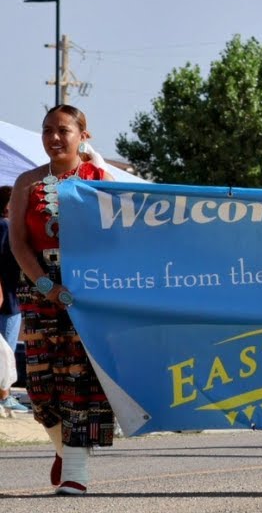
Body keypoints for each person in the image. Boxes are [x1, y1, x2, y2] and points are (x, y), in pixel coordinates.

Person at [7, 105, 116, 494]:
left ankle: (75, 472)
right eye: (47, 130)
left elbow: (116, 237)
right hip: (38, 292)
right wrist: (44, 285)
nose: (54, 137)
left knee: (79, 381)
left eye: (64, 130)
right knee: (38, 387)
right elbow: (18, 242)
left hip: (87, 294)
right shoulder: (27, 183)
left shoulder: (99, 179)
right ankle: (61, 447)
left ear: (82, 134)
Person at [0, 185, 31, 415]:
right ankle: (5, 396)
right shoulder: (6, 227)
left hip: (8, 296)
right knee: (7, 350)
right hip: (9, 298)